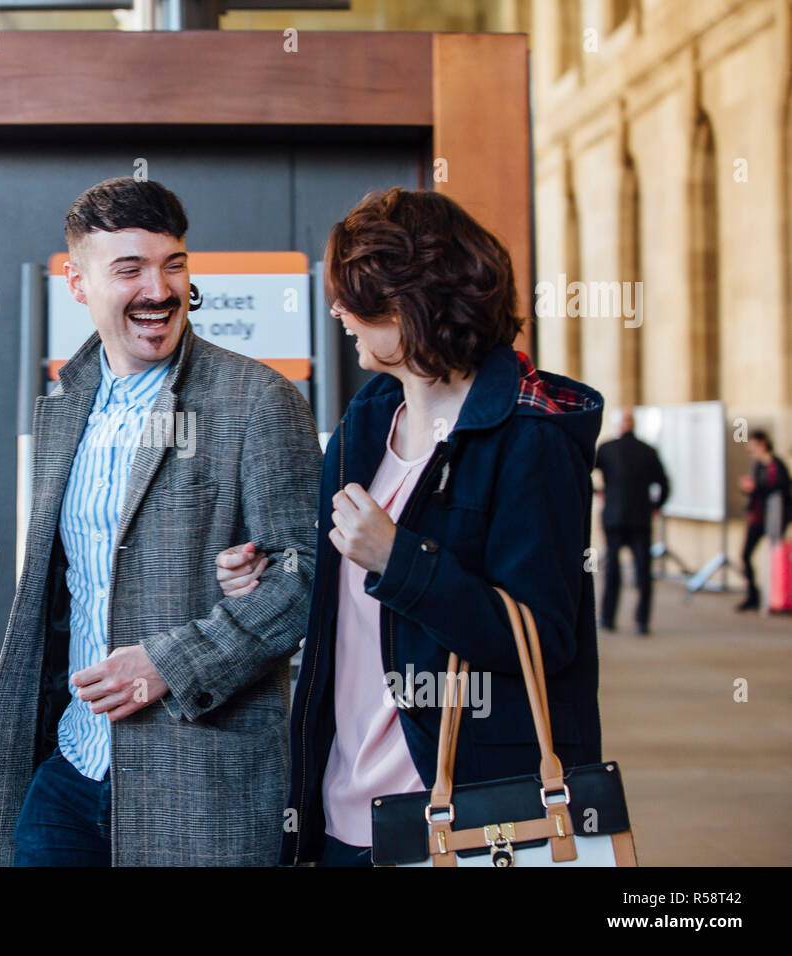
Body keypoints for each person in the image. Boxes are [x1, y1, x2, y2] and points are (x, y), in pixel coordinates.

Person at [223, 188, 604, 867]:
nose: (337, 311)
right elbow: (346, 612)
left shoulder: (528, 435)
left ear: (414, 305)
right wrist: (266, 580)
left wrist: (400, 561)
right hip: (344, 805)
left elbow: (544, 643)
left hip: (464, 815)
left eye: (356, 298)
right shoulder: (367, 422)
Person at [0, 178, 321, 866]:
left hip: (198, 785)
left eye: (174, 264)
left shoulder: (258, 400)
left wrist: (169, 662)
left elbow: (307, 578)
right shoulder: (65, 406)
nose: (159, 289)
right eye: (129, 269)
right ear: (77, 282)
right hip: (72, 770)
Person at [594, 409, 670, 635]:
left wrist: (598, 491)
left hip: (614, 518)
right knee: (643, 571)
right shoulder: (647, 451)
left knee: (612, 571)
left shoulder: (606, 448)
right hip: (640, 518)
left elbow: (583, 471)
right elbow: (664, 484)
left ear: (619, 426)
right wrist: (656, 506)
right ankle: (642, 621)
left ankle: (608, 617)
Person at [736, 430, 791, 612]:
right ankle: (753, 594)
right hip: (758, 517)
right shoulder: (757, 466)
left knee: (776, 556)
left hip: (775, 517)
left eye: (754, 446)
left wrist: (756, 487)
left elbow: (779, 489)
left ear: (763, 443)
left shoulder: (776, 466)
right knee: (746, 555)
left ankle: (778, 597)